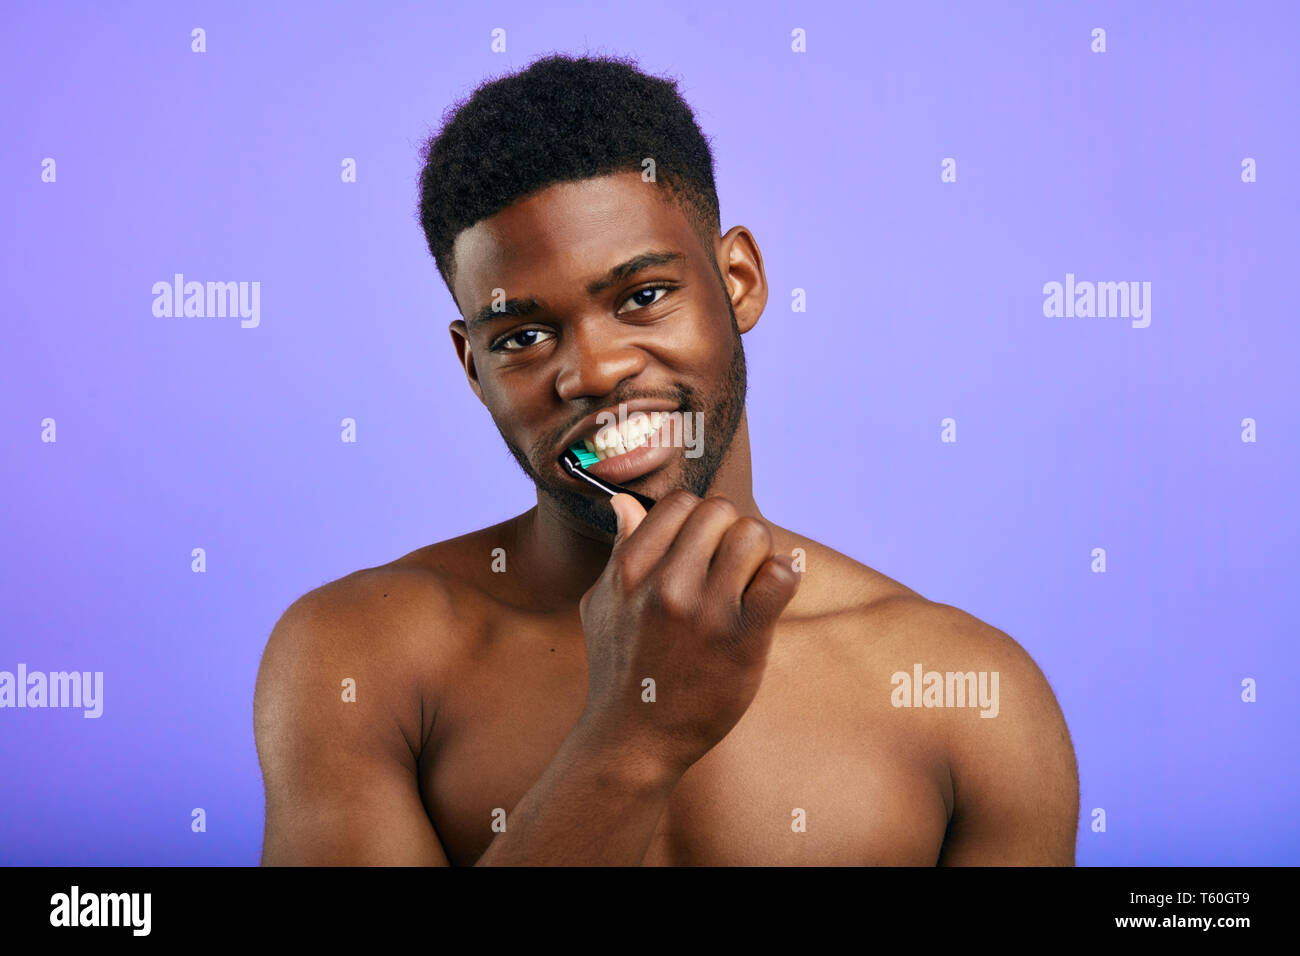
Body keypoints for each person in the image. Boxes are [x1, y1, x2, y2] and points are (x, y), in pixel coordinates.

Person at [254, 53, 1078, 865]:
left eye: (642, 296)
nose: (596, 372)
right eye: (524, 336)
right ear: (474, 368)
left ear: (740, 280)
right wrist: (635, 738)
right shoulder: (359, 659)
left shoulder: (969, 698)